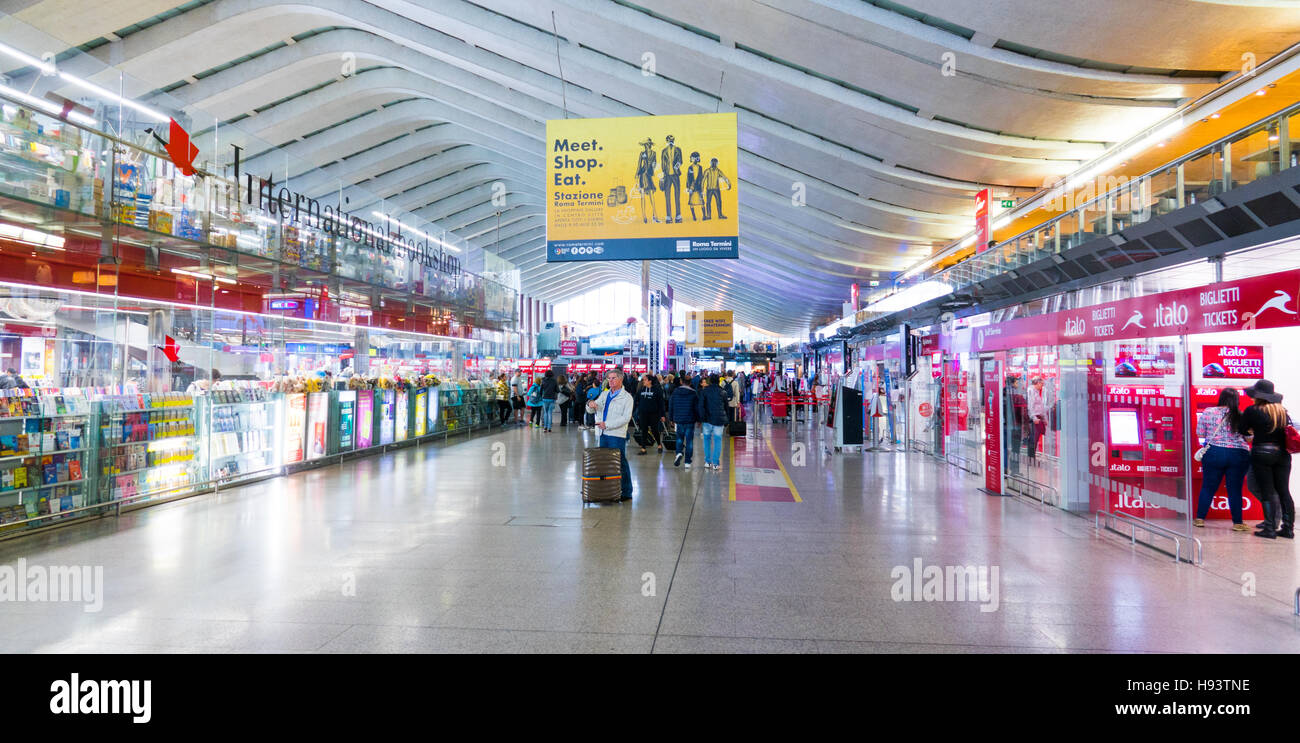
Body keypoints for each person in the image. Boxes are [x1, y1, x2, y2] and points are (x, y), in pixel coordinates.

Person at [1239, 379, 1294, 539]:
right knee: (1284, 491)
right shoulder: (1281, 411)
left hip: (1262, 453)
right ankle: (1288, 528)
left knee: (1267, 491)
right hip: (1283, 454)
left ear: (1257, 395)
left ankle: (1269, 528)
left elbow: (1243, 430)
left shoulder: (1252, 410)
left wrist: (1254, 430)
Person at [1194, 387, 1251, 531]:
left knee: (1208, 486)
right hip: (1238, 454)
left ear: (1221, 398)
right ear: (1237, 400)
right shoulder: (1241, 415)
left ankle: (1200, 519)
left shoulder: (1208, 411)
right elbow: (1248, 438)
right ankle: (1237, 523)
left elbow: (1199, 432)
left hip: (1214, 452)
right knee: (1235, 489)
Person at [589, 370, 635, 501]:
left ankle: (626, 492)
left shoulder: (627, 398)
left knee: (620, 463)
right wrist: (590, 404)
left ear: (621, 379)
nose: (611, 381)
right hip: (603, 434)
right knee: (605, 464)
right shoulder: (604, 394)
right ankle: (608, 491)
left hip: (616, 435)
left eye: (613, 378)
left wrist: (607, 424)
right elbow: (594, 407)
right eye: (609, 378)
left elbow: (626, 418)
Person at [697, 373, 728, 471]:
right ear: (718, 381)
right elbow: (726, 407)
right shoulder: (723, 392)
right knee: (718, 440)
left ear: (710, 381)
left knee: (706, 440)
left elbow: (701, 406)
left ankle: (707, 462)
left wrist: (702, 418)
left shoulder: (705, 391)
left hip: (707, 420)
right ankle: (715, 463)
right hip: (719, 420)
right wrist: (726, 419)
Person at [669, 375, 698, 468]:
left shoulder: (675, 392)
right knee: (689, 441)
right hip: (690, 419)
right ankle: (687, 462)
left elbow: (671, 405)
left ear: (681, 381)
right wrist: (699, 419)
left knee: (679, 438)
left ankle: (679, 453)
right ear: (690, 383)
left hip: (678, 419)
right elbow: (696, 408)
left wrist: (671, 418)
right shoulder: (694, 393)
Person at [634, 375, 666, 455]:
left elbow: (661, 403)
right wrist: (633, 410)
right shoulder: (641, 390)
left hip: (654, 413)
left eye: (645, 380)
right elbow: (636, 400)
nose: (643, 381)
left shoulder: (657, 390)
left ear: (650, 381)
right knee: (643, 430)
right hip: (643, 413)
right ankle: (643, 448)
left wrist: (662, 415)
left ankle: (659, 444)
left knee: (654, 430)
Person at [635, 138, 660, 224]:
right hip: (642, 174)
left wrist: (652, 168)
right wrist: (637, 174)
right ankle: (644, 216)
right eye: (644, 145)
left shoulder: (654, 153)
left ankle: (655, 215)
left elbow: (655, 163)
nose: (646, 146)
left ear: (649, 145)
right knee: (642, 195)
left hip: (649, 175)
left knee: (651, 195)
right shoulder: (642, 153)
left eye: (647, 145)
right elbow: (639, 164)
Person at [660, 134, 682, 224]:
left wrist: (676, 168)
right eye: (669, 139)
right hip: (667, 176)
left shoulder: (678, 149)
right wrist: (664, 173)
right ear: (667, 140)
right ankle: (668, 216)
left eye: (672, 139)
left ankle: (678, 216)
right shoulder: (664, 151)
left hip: (676, 175)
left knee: (677, 196)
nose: (671, 141)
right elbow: (663, 163)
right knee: (667, 196)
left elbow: (680, 161)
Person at [1026, 376, 1048, 463]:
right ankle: (1031, 459)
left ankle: (1032, 457)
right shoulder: (1031, 391)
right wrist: (1033, 417)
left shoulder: (1038, 392)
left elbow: (1041, 406)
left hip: (1039, 418)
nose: (1042, 386)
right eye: (1041, 384)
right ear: (1037, 383)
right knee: (1033, 439)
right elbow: (1030, 406)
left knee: (1035, 439)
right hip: (1034, 419)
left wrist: (1044, 418)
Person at [684, 151, 704, 221]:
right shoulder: (690, 167)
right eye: (693, 158)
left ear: (698, 159)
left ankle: (704, 215)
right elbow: (688, 178)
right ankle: (694, 217)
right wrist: (687, 187)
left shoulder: (700, 167)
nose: (695, 160)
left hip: (698, 186)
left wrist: (702, 188)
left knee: (701, 201)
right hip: (692, 186)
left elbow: (701, 177)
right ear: (691, 159)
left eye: (696, 158)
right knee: (691, 202)